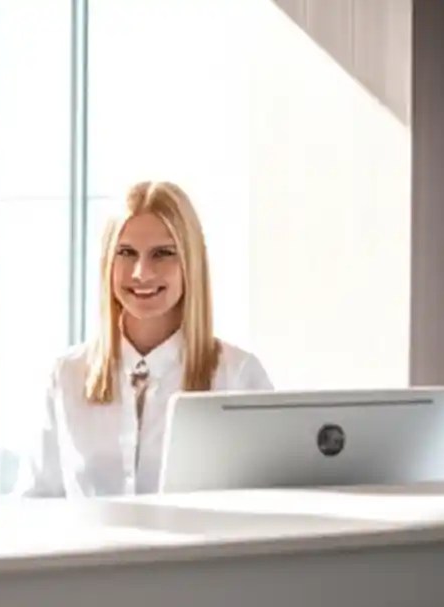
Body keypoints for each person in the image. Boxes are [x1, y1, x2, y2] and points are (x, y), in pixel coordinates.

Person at [14, 180, 272, 498]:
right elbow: (35, 502)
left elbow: (266, 506)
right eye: (126, 253)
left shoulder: (238, 375)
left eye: (162, 254)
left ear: (190, 263)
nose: (141, 273)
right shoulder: (66, 375)